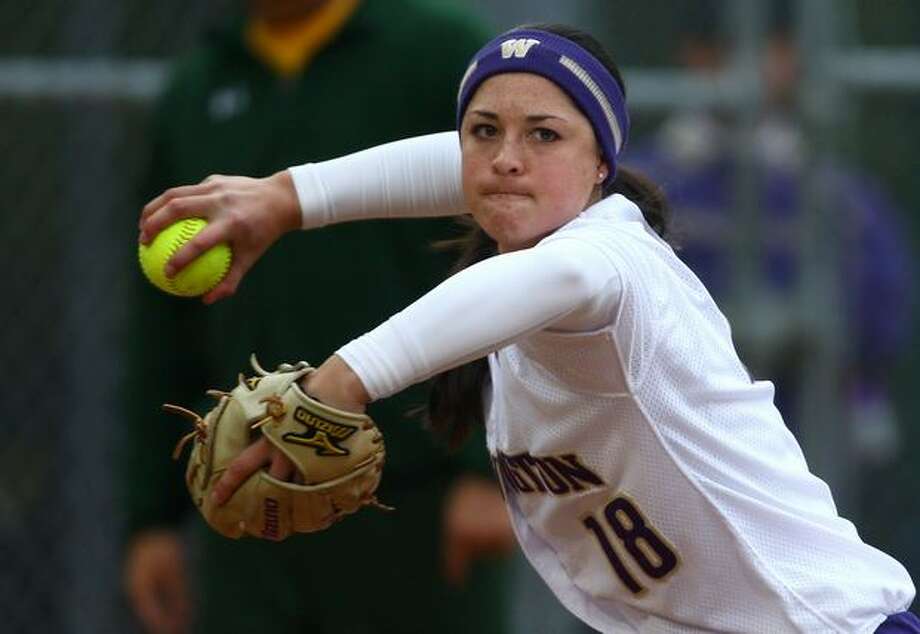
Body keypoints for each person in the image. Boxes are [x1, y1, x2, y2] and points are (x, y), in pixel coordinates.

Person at [138, 23, 919, 633]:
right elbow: (488, 170)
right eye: (484, 132)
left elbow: (555, 276)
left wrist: (337, 383)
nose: (508, 157)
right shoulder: (528, 215)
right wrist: (286, 197)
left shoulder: (612, 259)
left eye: (546, 134)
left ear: (601, 165)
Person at [121, 2, 513, 634]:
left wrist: (490, 470)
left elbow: (514, 257)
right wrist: (151, 519)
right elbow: (163, 328)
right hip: (242, 491)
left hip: (414, 490)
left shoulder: (440, 50)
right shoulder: (198, 83)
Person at [622, 10, 914, 461]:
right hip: (672, 430)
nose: (754, 70)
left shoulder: (831, 192)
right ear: (694, 58)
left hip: (801, 433)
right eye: (726, 52)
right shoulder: (646, 184)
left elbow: (883, 304)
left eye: (773, 49)